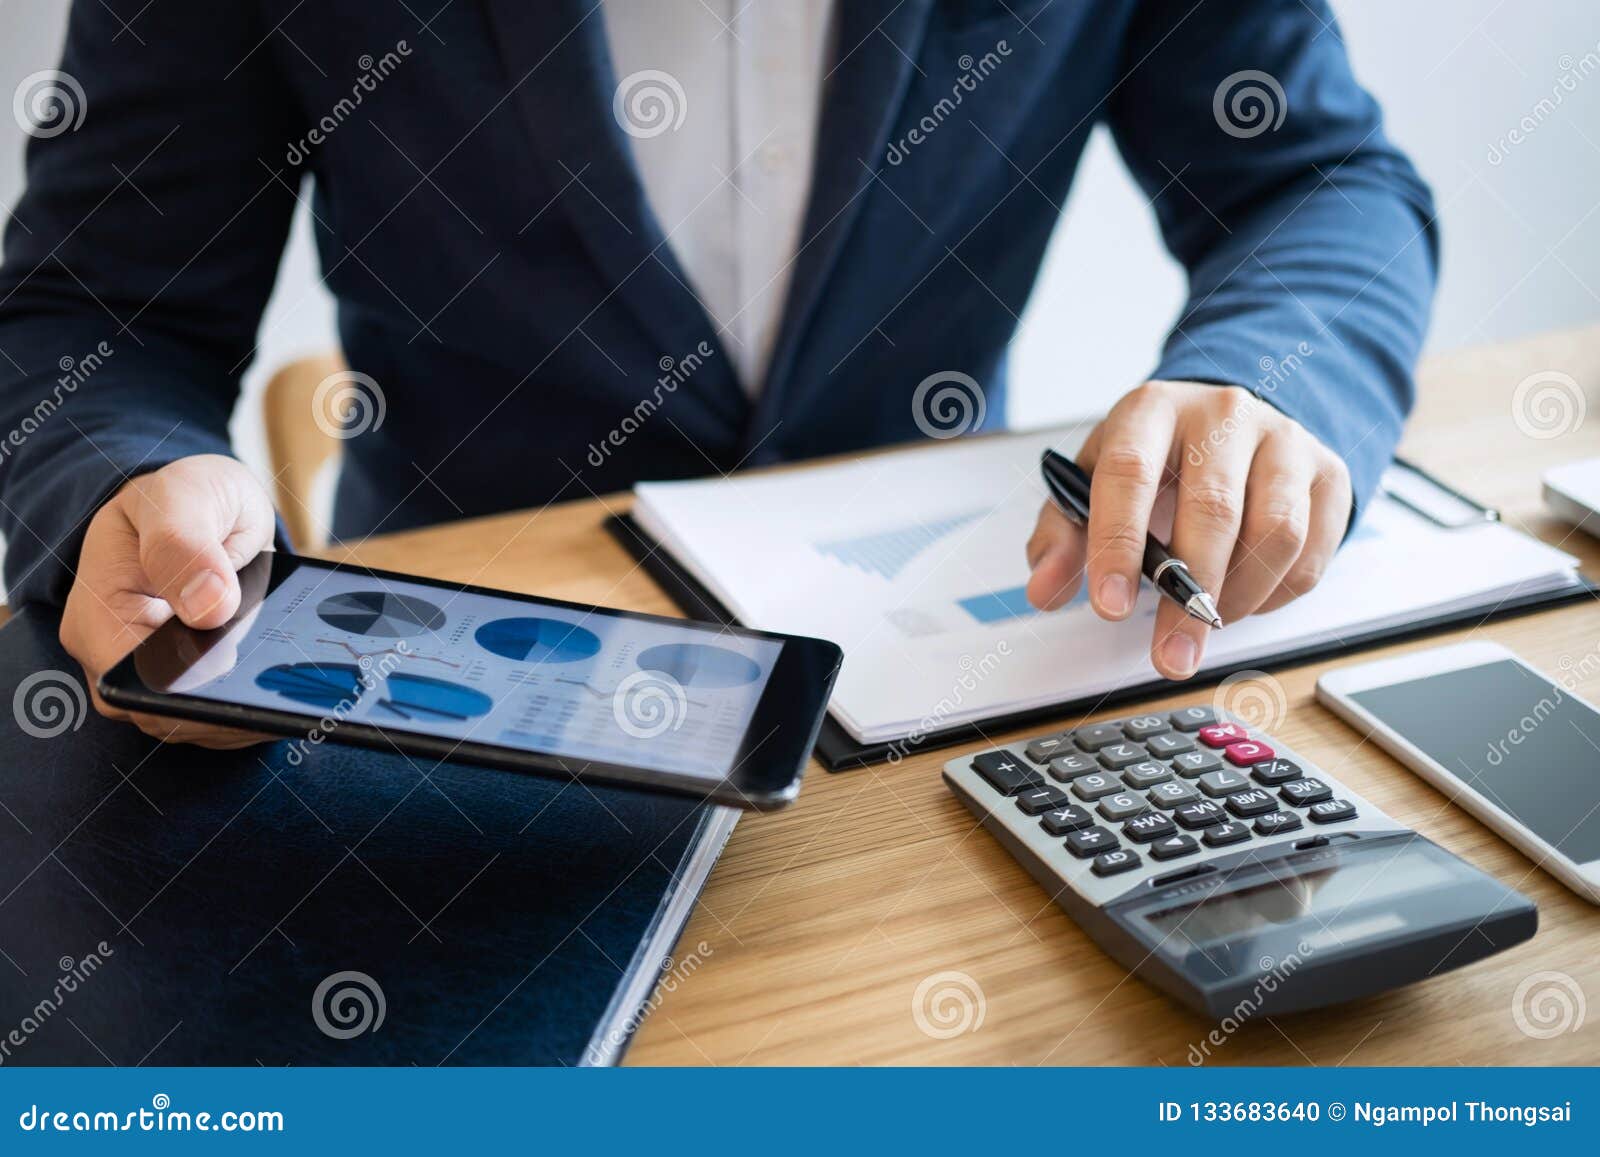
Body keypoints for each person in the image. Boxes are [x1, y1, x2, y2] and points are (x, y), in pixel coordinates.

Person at [0, 1, 1436, 746]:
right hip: (450, 724)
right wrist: (124, 478)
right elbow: (90, 309)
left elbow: (1317, 182)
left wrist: (1273, 376)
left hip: (948, 704)